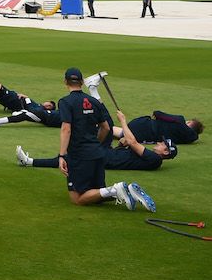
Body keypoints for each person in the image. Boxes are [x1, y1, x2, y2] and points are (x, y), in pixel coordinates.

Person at [57, 67, 154, 210]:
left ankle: (116, 189)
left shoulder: (66, 102)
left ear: (65, 81)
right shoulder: (93, 101)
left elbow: (66, 129)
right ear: (82, 82)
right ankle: (129, 193)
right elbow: (106, 127)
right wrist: (97, 143)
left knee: (77, 198)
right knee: (97, 195)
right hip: (97, 153)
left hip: (79, 155)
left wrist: (62, 155)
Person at [19, 110, 178, 171]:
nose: (159, 143)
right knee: (106, 125)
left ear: (165, 151)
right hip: (108, 153)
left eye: (162, 144)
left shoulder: (155, 160)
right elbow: (129, 146)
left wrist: (123, 121)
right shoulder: (152, 157)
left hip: (104, 158)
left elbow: (133, 142)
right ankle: (94, 90)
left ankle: (29, 161)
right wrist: (122, 145)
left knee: (70, 159)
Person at [79, 71, 201, 144]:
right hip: (146, 135)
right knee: (117, 130)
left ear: (189, 123)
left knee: (110, 124)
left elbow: (158, 114)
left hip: (145, 126)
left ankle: (92, 89)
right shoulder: (188, 138)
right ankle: (88, 126)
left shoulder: (180, 120)